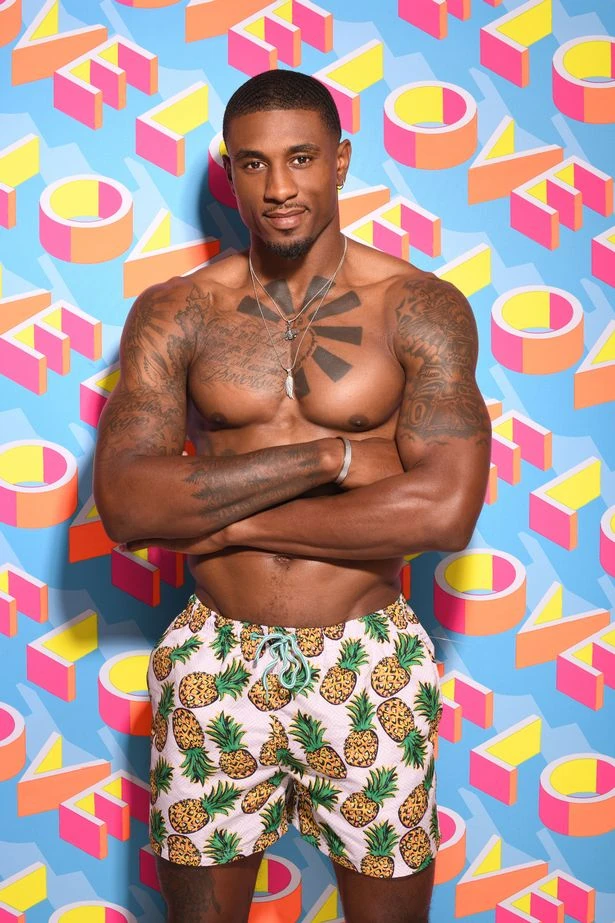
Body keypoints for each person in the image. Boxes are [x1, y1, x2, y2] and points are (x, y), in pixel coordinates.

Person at [94, 69, 491, 923]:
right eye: (253, 163)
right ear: (229, 173)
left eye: (301, 158)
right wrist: (333, 455)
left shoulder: (418, 306)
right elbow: (127, 504)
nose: (278, 186)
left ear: (340, 161)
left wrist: (218, 524)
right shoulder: (177, 311)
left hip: (369, 658)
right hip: (214, 654)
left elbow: (443, 511)